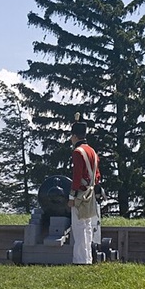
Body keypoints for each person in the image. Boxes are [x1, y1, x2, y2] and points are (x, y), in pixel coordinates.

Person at [66, 113, 101, 265]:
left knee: (79, 228)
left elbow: (76, 175)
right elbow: (97, 175)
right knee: (87, 226)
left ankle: (80, 260)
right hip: (91, 192)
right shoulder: (92, 151)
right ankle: (87, 258)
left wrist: (72, 196)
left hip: (80, 193)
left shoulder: (77, 152)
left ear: (75, 136)